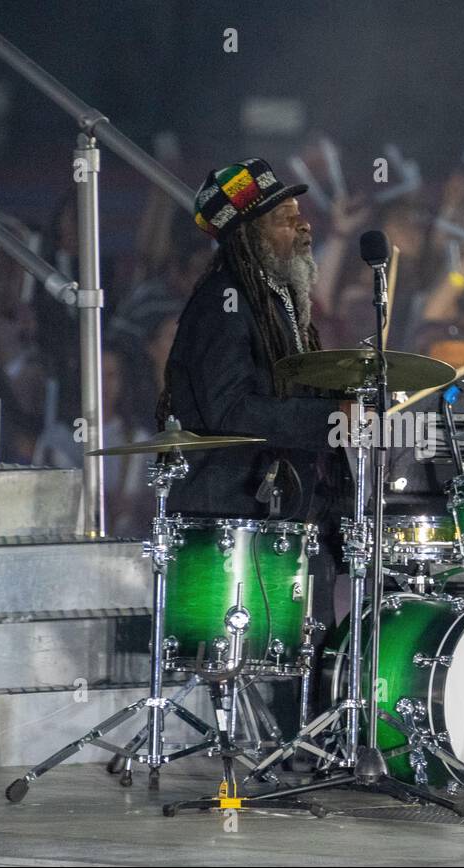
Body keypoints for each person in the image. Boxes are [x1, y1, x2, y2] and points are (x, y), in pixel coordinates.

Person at [157, 158, 350, 666]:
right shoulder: (224, 300)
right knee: (264, 663)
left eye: (299, 214)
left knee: (308, 657)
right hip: (238, 507)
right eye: (285, 218)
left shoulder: (275, 298)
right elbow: (231, 409)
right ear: (248, 234)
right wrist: (330, 422)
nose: (304, 225)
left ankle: (311, 740)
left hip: (284, 506)